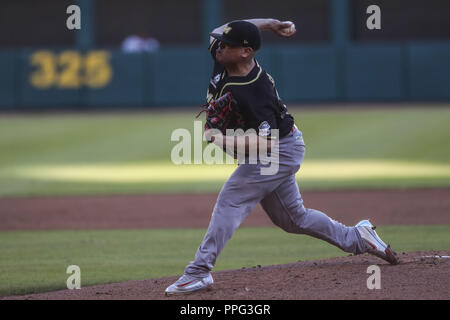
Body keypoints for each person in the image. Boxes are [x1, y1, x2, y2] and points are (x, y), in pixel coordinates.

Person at [165, 19, 399, 296]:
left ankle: (198, 272)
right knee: (292, 218)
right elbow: (235, 26)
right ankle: (358, 237)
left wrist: (218, 137)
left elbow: (265, 144)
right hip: (278, 147)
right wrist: (271, 24)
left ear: (245, 51)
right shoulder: (224, 55)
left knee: (231, 198)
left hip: (280, 150)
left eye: (227, 43)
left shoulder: (255, 89)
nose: (219, 45)